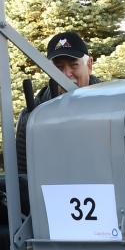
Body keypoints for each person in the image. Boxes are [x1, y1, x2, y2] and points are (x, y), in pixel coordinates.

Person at [13, 31, 101, 169]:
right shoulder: (32, 115)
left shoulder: (112, 106)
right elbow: (22, 172)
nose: (66, 74)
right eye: (59, 68)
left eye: (74, 65)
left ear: (89, 65)